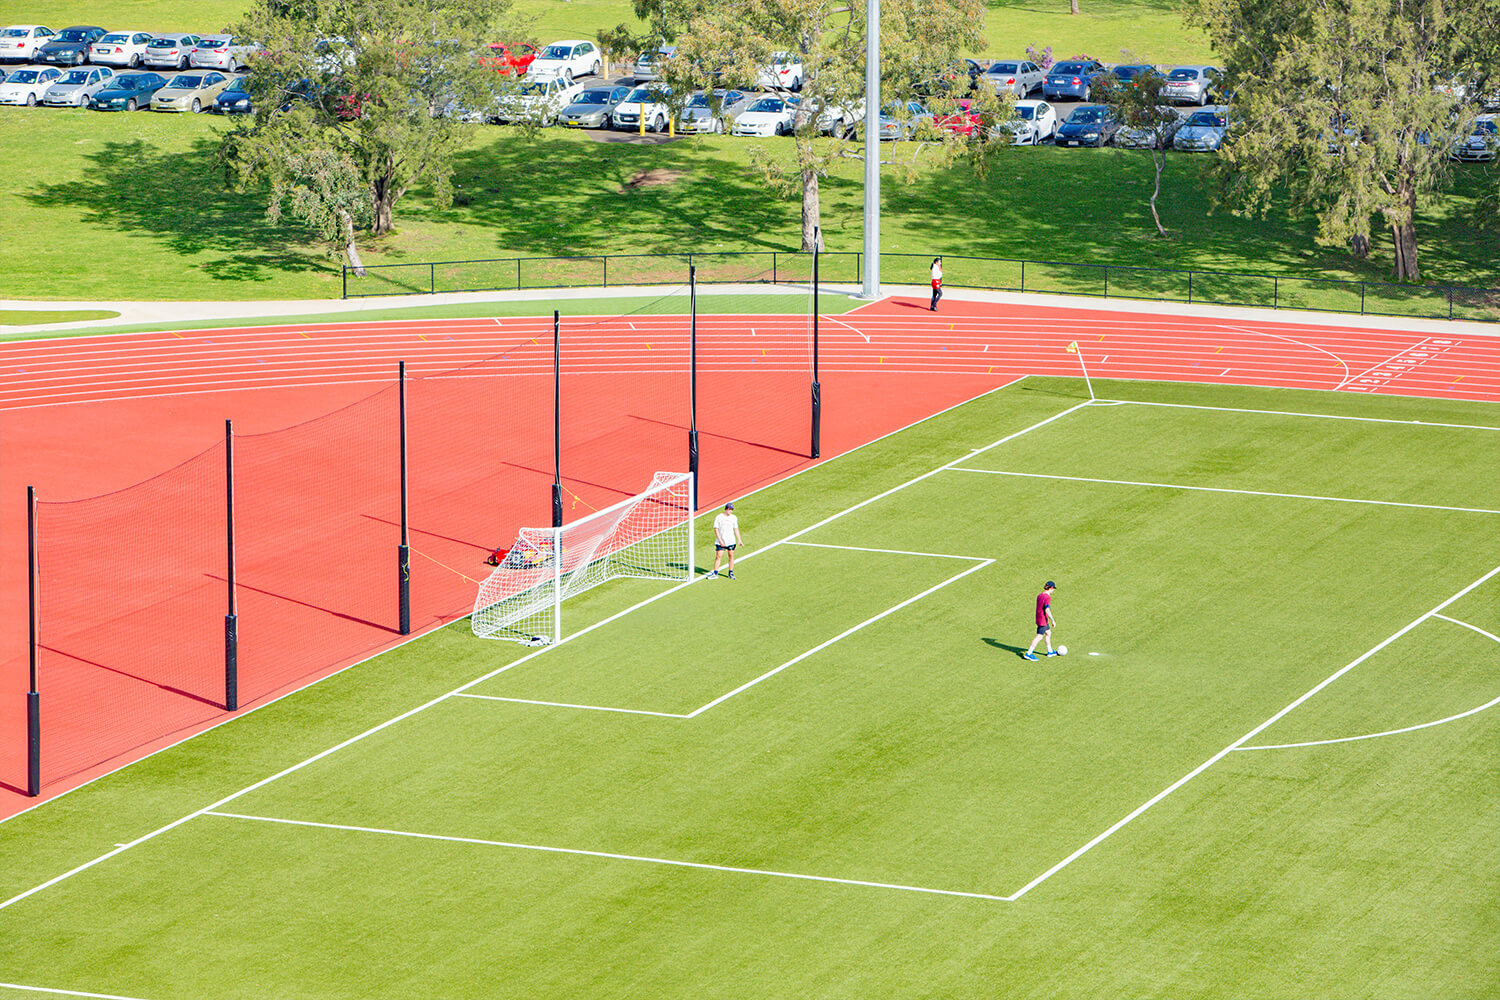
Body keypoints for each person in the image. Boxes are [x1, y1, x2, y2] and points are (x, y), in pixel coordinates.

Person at [1022, 581, 1058, 660]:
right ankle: (1029, 653)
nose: (1053, 590)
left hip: (1039, 618)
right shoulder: (1047, 597)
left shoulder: (1040, 595)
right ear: (1051, 588)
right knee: (1039, 636)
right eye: (1053, 589)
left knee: (1048, 633)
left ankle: (1050, 651)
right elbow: (1047, 609)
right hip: (1042, 620)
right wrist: (1052, 620)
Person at [706, 501, 741, 579]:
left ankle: (730, 573)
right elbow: (716, 529)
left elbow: (736, 529)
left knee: (731, 556)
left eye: (731, 509)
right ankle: (715, 573)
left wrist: (739, 540)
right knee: (718, 556)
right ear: (726, 509)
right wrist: (720, 540)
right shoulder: (719, 517)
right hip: (721, 541)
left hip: (731, 541)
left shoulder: (734, 518)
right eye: (729, 509)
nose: (730, 511)